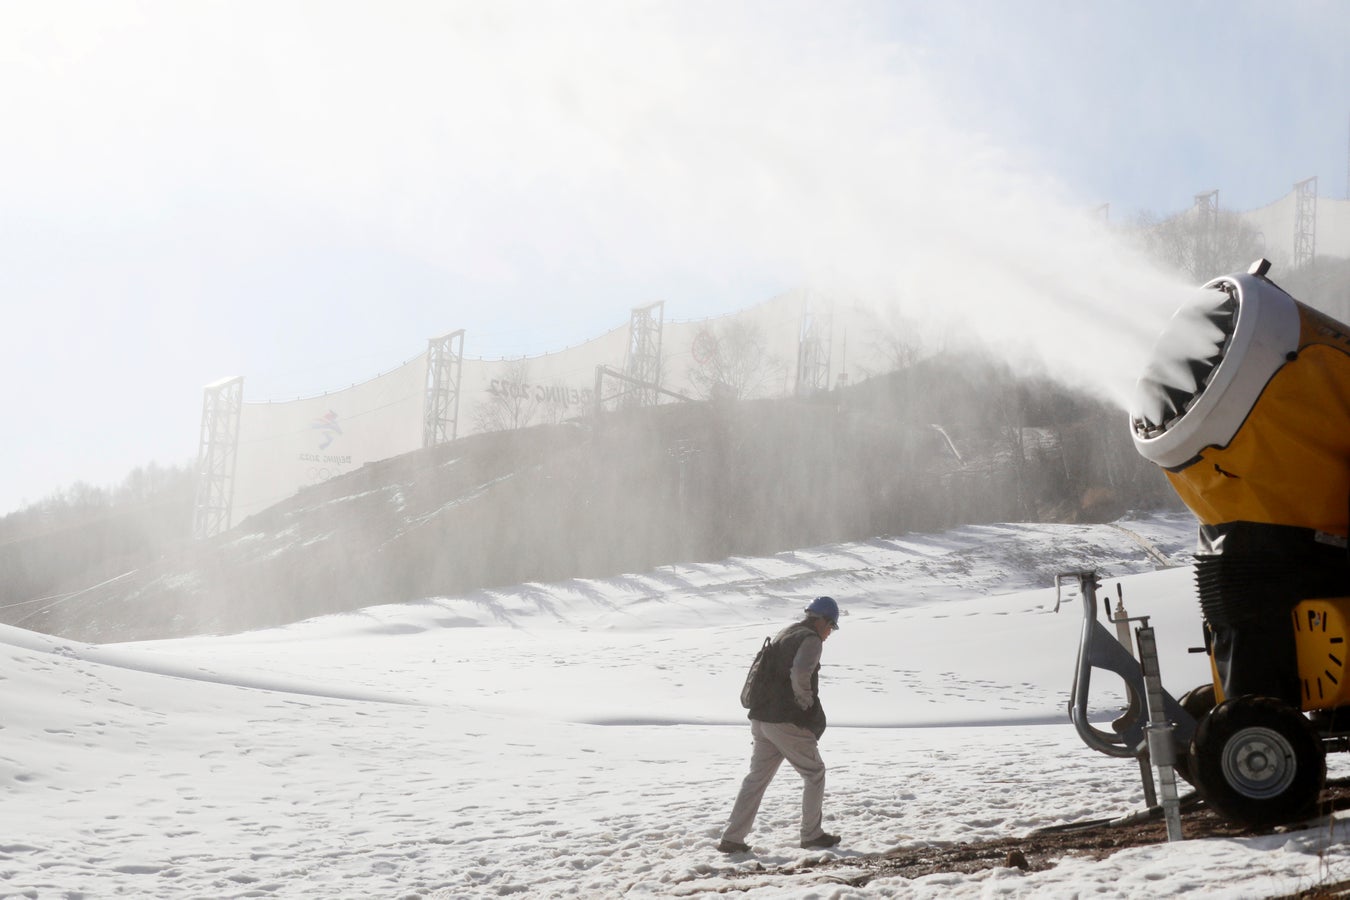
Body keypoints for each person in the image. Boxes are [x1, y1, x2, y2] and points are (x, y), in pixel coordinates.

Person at [718, 596, 842, 853]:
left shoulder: (786, 632)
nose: (830, 632)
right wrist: (805, 702)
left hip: (761, 717)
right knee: (815, 772)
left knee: (756, 779)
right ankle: (811, 834)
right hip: (784, 720)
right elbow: (800, 673)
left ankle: (732, 838)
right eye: (831, 626)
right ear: (822, 620)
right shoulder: (811, 639)